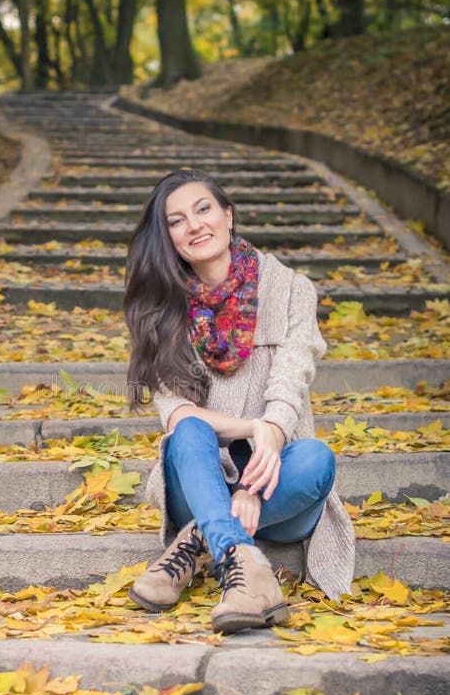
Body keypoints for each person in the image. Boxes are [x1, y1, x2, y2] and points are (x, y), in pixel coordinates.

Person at [123, 168, 355, 634]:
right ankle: (247, 569)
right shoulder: (164, 312)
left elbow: (291, 381)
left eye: (204, 209)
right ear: (167, 238)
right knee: (187, 431)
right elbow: (179, 413)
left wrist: (258, 472)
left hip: (278, 486)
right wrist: (257, 430)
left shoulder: (291, 289)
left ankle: (201, 539)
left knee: (316, 458)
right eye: (176, 220)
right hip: (198, 479)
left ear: (228, 216)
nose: (194, 225)